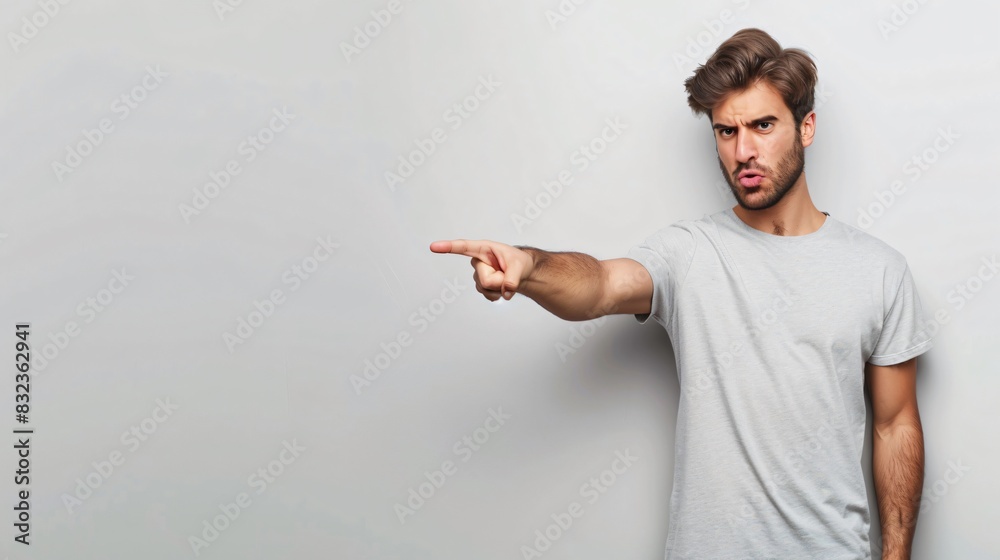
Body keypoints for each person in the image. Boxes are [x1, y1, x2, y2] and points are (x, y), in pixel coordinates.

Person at [430, 27, 931, 560]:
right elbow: (599, 285)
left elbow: (895, 423)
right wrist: (530, 266)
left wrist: (896, 553)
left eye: (763, 126)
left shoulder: (878, 270)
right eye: (726, 132)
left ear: (805, 127)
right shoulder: (689, 253)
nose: (744, 151)